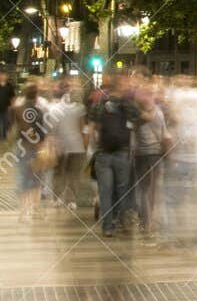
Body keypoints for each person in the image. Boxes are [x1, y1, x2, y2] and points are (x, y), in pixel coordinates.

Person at [88, 76, 139, 236]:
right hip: (122, 151)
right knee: (122, 188)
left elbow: (92, 127)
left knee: (105, 190)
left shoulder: (100, 104)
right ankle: (123, 223)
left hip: (103, 152)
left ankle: (107, 227)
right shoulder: (128, 104)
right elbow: (137, 119)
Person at [133, 87, 169, 237]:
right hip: (155, 155)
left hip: (139, 154)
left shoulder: (135, 114)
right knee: (151, 191)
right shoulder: (158, 113)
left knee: (142, 189)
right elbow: (165, 135)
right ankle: (149, 221)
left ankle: (144, 221)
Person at [12, 83, 49, 223]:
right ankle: (35, 210)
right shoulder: (39, 112)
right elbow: (41, 133)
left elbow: (12, 129)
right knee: (36, 180)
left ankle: (22, 213)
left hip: (21, 147)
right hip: (35, 148)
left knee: (22, 178)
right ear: (36, 96)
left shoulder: (17, 110)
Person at [49, 81, 88, 210]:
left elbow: (52, 130)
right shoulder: (80, 109)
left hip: (59, 146)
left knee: (59, 173)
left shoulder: (54, 109)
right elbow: (83, 128)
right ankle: (72, 200)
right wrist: (86, 145)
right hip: (77, 146)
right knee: (74, 174)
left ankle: (57, 198)